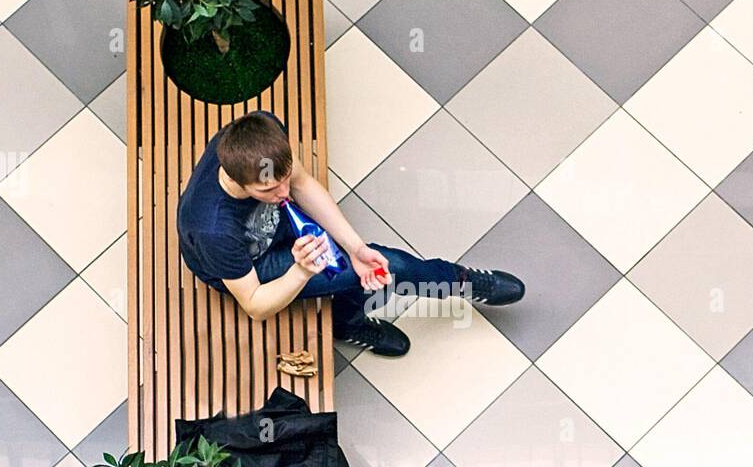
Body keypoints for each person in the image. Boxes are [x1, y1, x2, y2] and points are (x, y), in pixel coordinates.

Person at [178, 110, 524, 356]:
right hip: (254, 264)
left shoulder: (265, 138)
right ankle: (351, 322)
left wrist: (355, 247)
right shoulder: (212, 229)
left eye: (282, 180)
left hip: (277, 230)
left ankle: (453, 281)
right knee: (391, 269)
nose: (283, 194)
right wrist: (301, 271)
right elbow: (255, 304)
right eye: (268, 190)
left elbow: (301, 184)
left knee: (374, 265)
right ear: (236, 179)